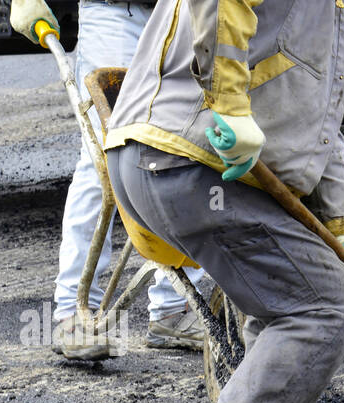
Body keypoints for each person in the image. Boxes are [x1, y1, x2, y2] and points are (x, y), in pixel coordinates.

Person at [93, 0, 344, 403]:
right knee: (328, 306)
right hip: (187, 158)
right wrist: (229, 106)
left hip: (177, 165)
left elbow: (318, 132)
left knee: (284, 298)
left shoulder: (338, 10)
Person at [11, 0, 211, 361]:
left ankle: (174, 310)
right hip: (117, 10)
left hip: (185, 10)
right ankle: (73, 310)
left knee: (184, 148)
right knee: (103, 153)